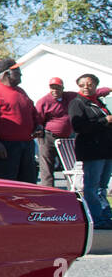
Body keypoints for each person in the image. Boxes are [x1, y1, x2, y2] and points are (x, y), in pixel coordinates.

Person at [0, 57, 41, 183]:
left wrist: (38, 126)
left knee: (27, 184)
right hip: (5, 146)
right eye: (17, 70)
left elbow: (33, 113)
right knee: (5, 185)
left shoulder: (21, 92)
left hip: (26, 146)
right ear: (6, 74)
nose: (21, 73)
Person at [69, 73, 112, 229]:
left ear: (96, 86)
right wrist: (104, 121)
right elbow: (79, 127)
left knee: (102, 186)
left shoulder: (98, 102)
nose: (86, 87)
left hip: (106, 150)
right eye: (82, 85)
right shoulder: (77, 103)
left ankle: (105, 215)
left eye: (90, 84)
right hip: (92, 150)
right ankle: (95, 218)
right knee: (91, 187)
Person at [35, 77, 78, 187]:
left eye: (57, 88)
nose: (55, 91)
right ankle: (48, 192)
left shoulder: (70, 96)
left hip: (67, 138)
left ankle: (73, 191)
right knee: (46, 167)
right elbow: (38, 119)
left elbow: (87, 93)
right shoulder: (43, 101)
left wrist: (107, 90)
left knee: (70, 166)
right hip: (48, 137)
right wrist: (39, 129)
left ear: (62, 88)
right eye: (52, 88)